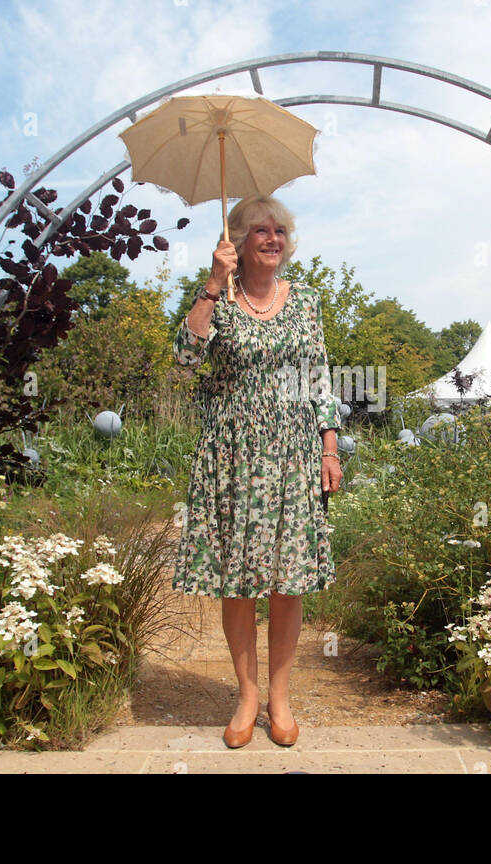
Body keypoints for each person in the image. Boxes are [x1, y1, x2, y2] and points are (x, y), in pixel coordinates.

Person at [170, 195, 341, 749]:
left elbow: (318, 379)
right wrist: (212, 285)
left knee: (287, 582)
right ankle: (246, 696)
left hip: (292, 455)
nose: (272, 238)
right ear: (237, 241)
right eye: (260, 231)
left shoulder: (306, 302)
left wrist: (329, 449)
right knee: (238, 583)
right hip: (232, 457)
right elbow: (185, 360)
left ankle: (281, 698)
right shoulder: (217, 298)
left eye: (280, 230)